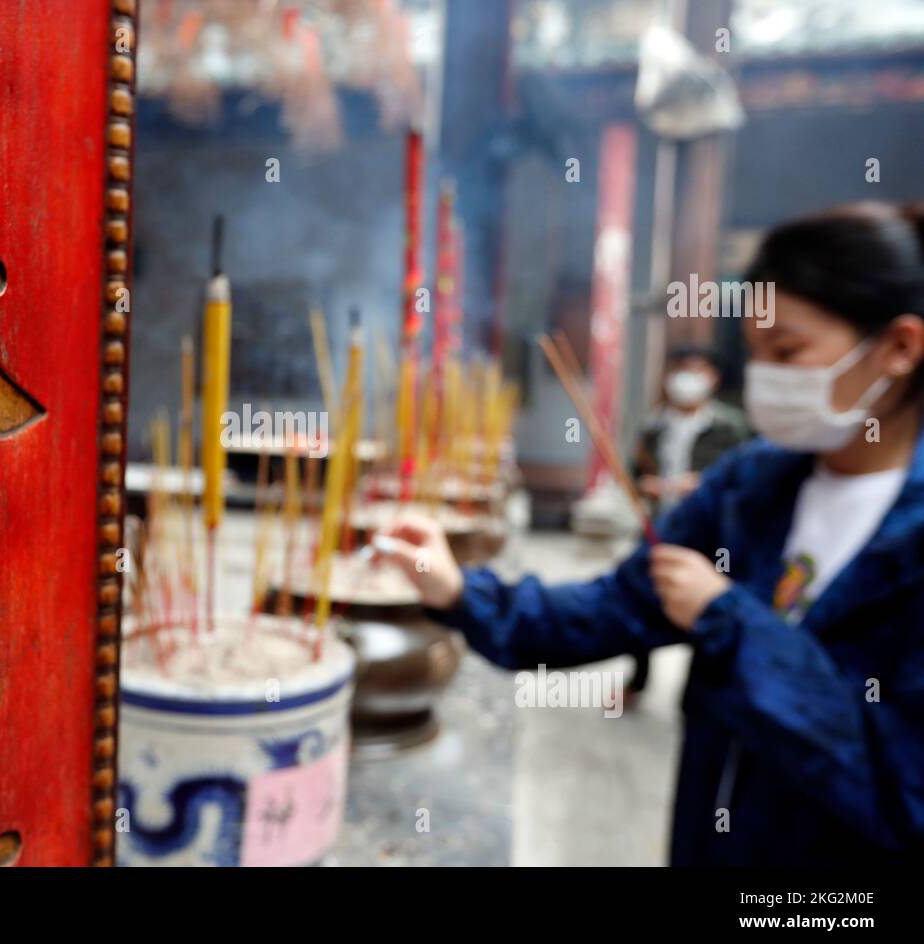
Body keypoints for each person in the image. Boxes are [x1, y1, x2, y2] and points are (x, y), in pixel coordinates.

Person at [378, 202, 924, 865]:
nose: (767, 377)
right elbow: (610, 610)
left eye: (789, 351)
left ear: (899, 347)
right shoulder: (751, 488)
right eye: (756, 353)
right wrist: (459, 589)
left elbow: (900, 790)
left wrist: (730, 621)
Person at [624, 346, 750, 705]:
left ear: (713, 379)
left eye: (699, 370)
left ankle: (701, 693)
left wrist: (697, 484)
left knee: (704, 605)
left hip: (711, 532)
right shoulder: (653, 426)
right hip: (660, 524)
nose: (689, 378)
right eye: (683, 369)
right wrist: (644, 488)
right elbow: (634, 473)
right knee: (641, 598)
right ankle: (637, 681)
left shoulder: (729, 427)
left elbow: (739, 478)